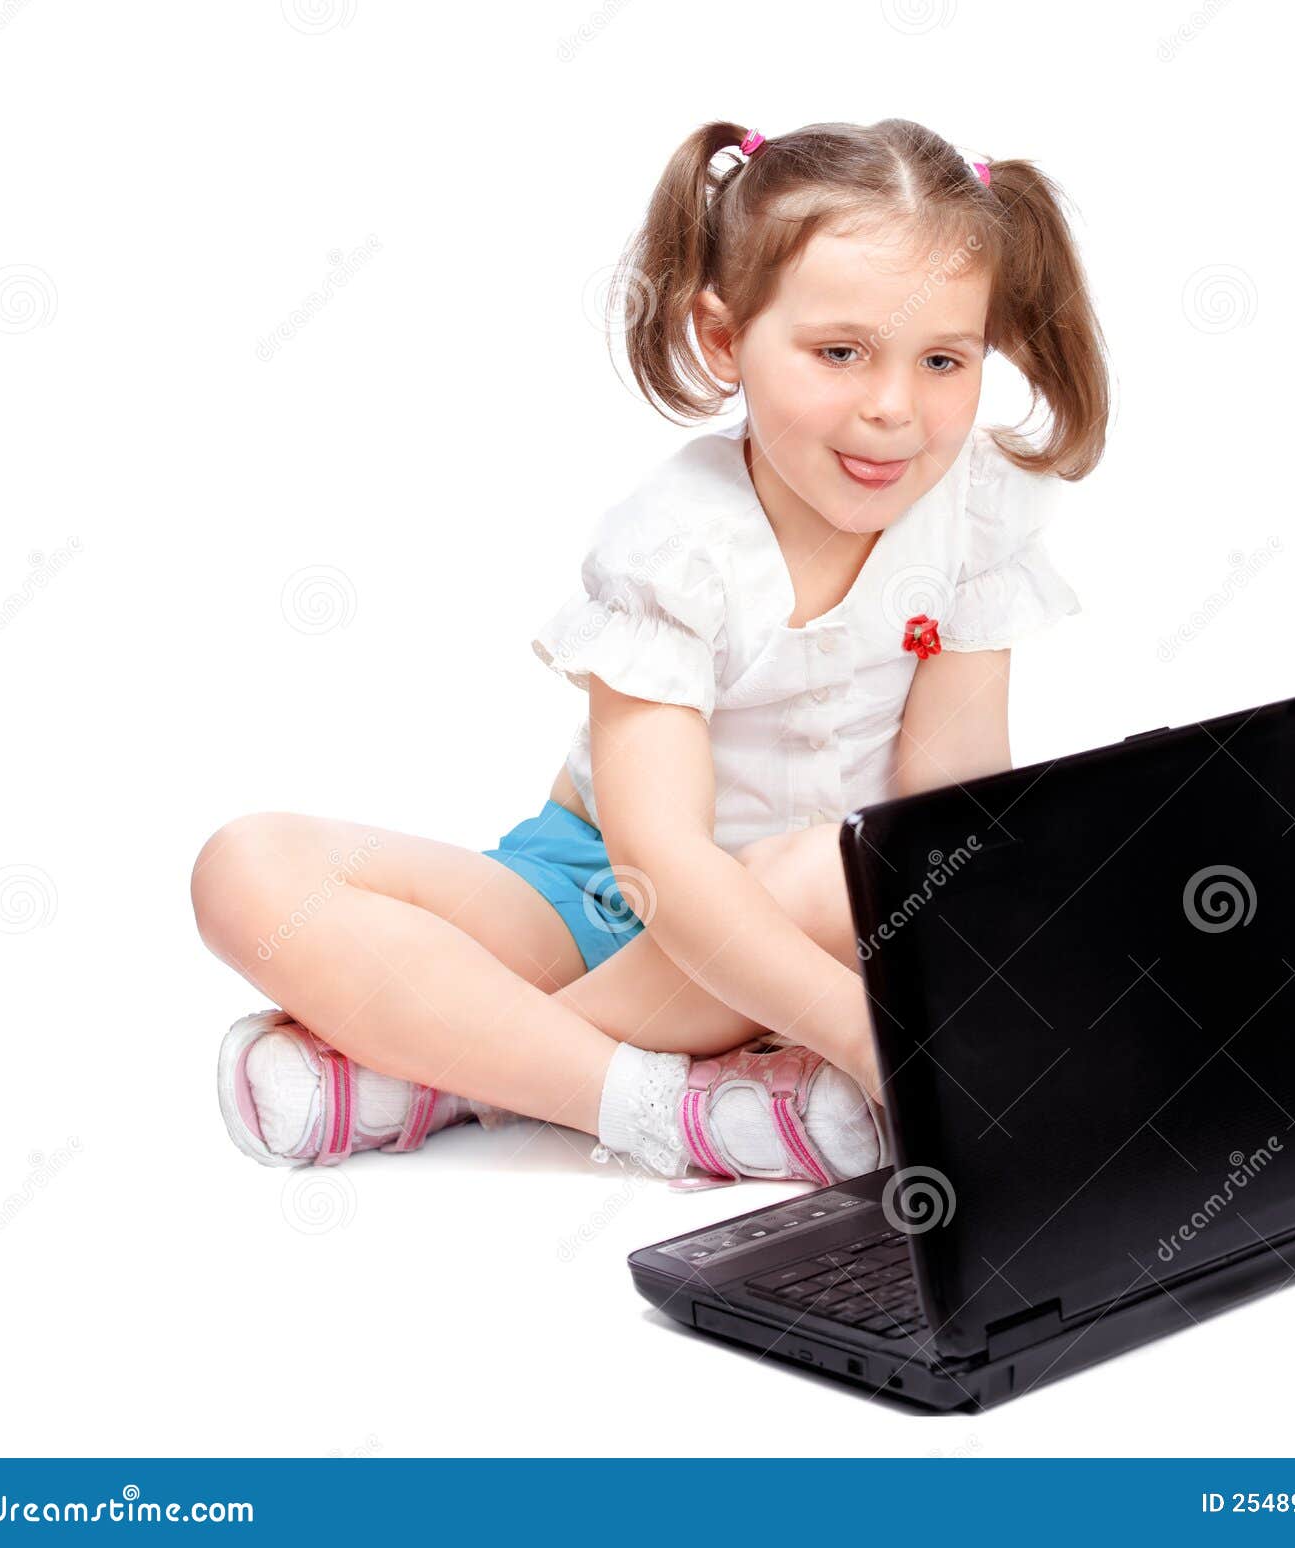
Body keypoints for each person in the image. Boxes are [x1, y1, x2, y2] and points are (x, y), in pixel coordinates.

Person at [192, 117, 1107, 1189]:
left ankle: (446, 1071)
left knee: (846, 866)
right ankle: (666, 1107)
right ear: (724, 339)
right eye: (839, 352)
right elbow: (656, 863)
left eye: (943, 359)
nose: (893, 409)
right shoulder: (675, 543)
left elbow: (950, 809)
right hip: (601, 898)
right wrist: (876, 1048)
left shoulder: (977, 514)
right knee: (246, 870)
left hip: (814, 919)